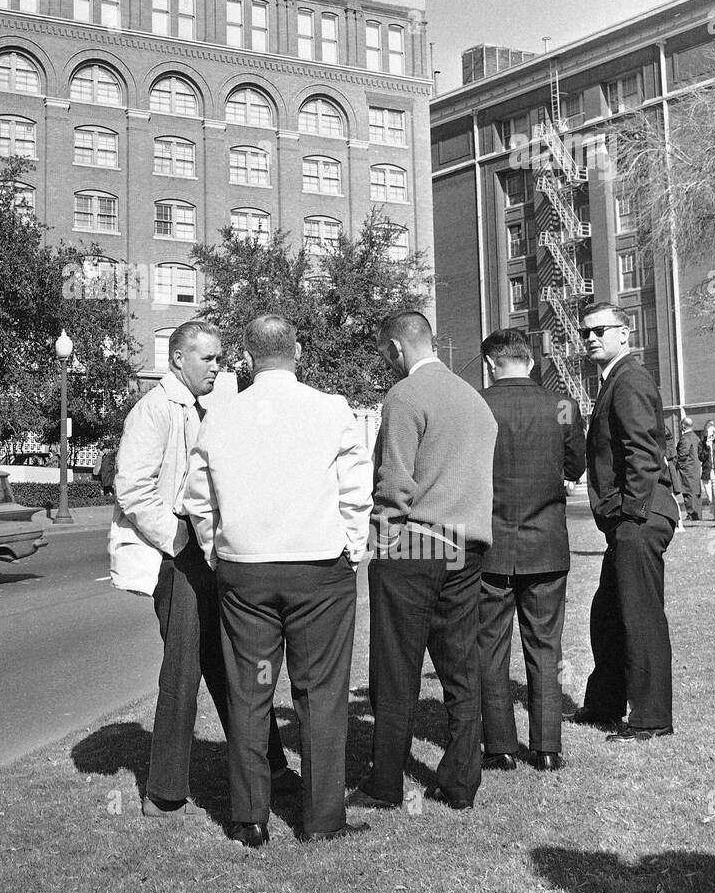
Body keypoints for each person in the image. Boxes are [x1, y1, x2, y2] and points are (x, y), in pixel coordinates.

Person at [181, 315, 373, 847]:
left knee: (250, 690)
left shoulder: (220, 415)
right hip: (319, 570)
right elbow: (356, 492)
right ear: (300, 350)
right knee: (321, 694)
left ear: (245, 355)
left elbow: (198, 500)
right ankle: (322, 818)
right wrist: (352, 550)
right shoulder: (331, 408)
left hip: (246, 571)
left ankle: (250, 818)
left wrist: (217, 554)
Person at [108, 319, 291, 816]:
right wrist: (179, 537)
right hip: (179, 557)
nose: (218, 366)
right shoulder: (152, 411)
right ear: (177, 361)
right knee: (183, 671)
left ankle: (270, 767)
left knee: (237, 660)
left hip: (214, 550)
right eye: (208, 358)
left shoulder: (213, 407)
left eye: (220, 357)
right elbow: (132, 489)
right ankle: (165, 791)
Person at [353, 310, 498, 812]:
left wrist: (383, 542)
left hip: (417, 542)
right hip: (467, 543)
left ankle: (385, 782)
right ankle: (461, 781)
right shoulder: (474, 399)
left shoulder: (405, 396)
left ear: (396, 348)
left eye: (384, 354)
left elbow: (393, 483)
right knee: (460, 667)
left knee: (396, 667)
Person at [477, 329, 585, 774]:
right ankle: (546, 748)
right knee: (545, 647)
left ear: (490, 364)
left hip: (490, 546)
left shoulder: (478, 403)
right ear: (531, 361)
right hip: (545, 543)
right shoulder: (562, 407)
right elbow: (575, 467)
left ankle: (500, 746)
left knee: (489, 646)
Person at [569, 302, 677, 741]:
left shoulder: (629, 379)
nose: (591, 337)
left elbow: (643, 453)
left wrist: (628, 515)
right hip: (632, 517)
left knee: (639, 615)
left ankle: (651, 718)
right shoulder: (616, 378)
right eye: (586, 332)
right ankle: (605, 703)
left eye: (600, 330)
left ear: (624, 334)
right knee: (608, 613)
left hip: (639, 515)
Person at [674, 416, 703, 522]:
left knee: (688, 492)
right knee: (696, 492)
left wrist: (676, 465)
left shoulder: (685, 438)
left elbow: (682, 455)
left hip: (686, 469)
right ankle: (698, 514)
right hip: (695, 467)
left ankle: (692, 514)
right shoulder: (696, 437)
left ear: (683, 426)